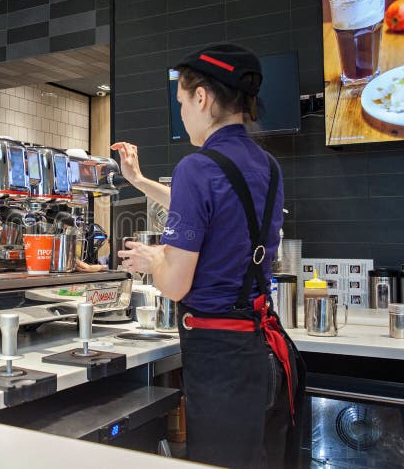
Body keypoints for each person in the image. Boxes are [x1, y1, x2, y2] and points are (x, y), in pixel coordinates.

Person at [112, 44, 304, 469]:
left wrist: (153, 259)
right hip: (265, 354)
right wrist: (140, 180)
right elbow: (219, 209)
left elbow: (177, 283)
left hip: (221, 364)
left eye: (181, 102)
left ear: (201, 97)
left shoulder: (197, 167)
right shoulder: (267, 166)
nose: (181, 113)